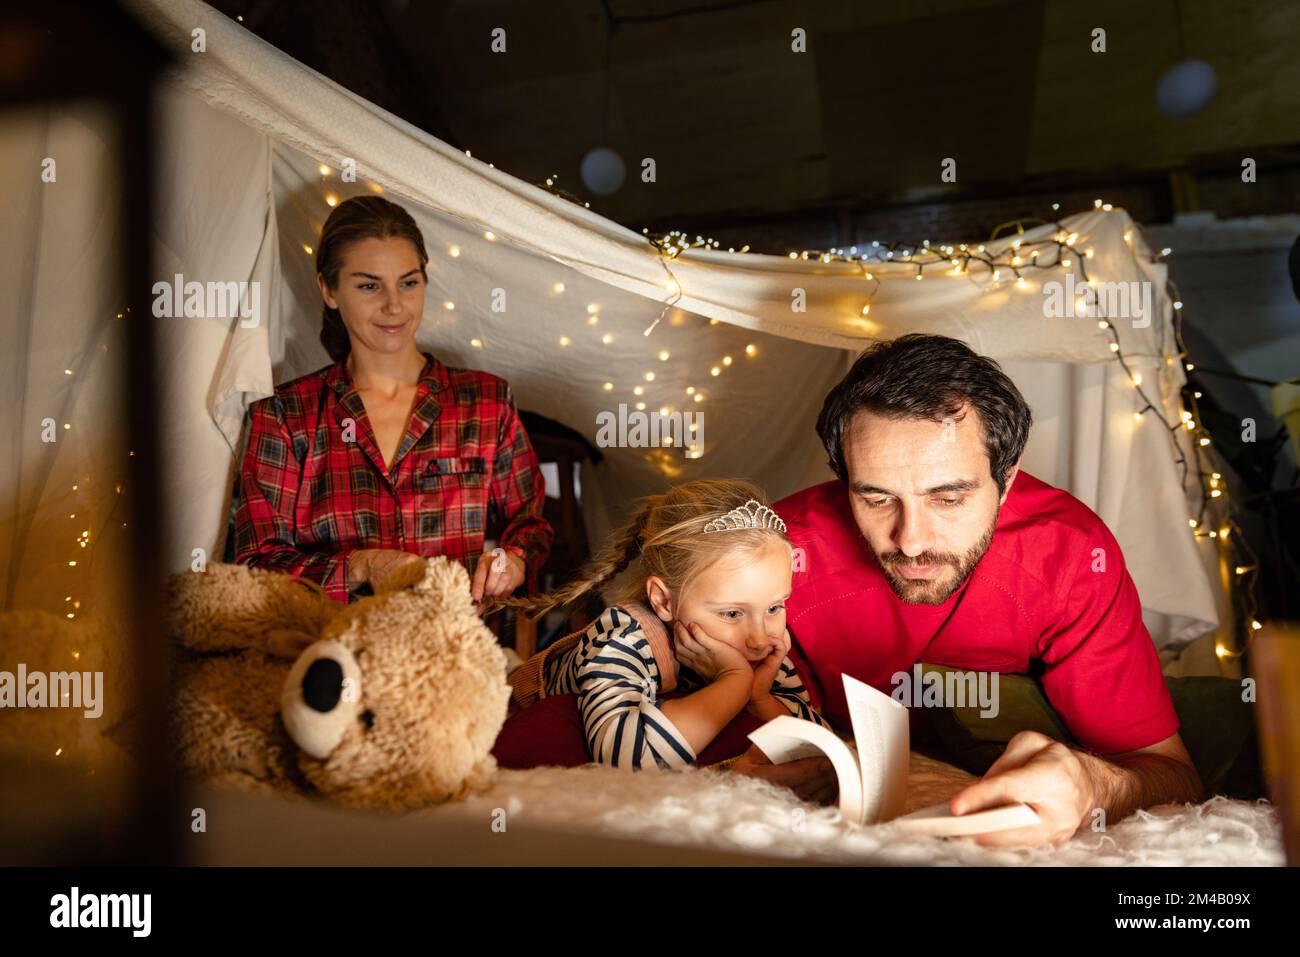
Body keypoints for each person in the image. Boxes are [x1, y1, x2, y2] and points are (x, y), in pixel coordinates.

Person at [737, 333, 1203, 846]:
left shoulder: (1072, 554)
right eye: (875, 498)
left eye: (949, 498)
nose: (910, 541)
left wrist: (1093, 785)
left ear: (1007, 477)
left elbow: (1172, 775)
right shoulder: (774, 552)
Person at [233, 195, 552, 606]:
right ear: (328, 290)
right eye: (369, 285)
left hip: (459, 653)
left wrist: (514, 560)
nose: (394, 305)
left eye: (408, 282)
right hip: (329, 654)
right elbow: (256, 565)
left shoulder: (486, 402)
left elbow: (529, 526)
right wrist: (360, 567)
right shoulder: (283, 415)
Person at [495, 479, 831, 771]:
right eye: (731, 614)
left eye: (774, 606)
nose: (759, 637)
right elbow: (629, 760)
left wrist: (759, 697)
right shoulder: (623, 636)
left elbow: (820, 744)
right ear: (663, 601)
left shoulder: (764, 648)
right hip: (527, 745)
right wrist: (736, 682)